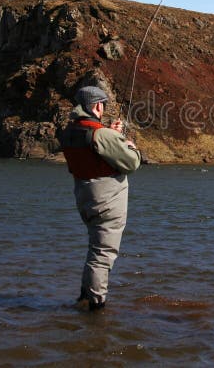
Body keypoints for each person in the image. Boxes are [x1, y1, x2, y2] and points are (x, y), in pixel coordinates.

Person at [58, 86, 142, 311]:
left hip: (84, 198)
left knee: (95, 249)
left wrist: (112, 134)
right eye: (102, 105)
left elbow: (93, 144)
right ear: (97, 105)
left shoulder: (69, 131)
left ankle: (84, 298)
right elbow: (131, 162)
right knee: (103, 255)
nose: (103, 109)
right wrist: (129, 145)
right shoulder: (101, 134)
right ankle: (95, 306)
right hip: (107, 201)